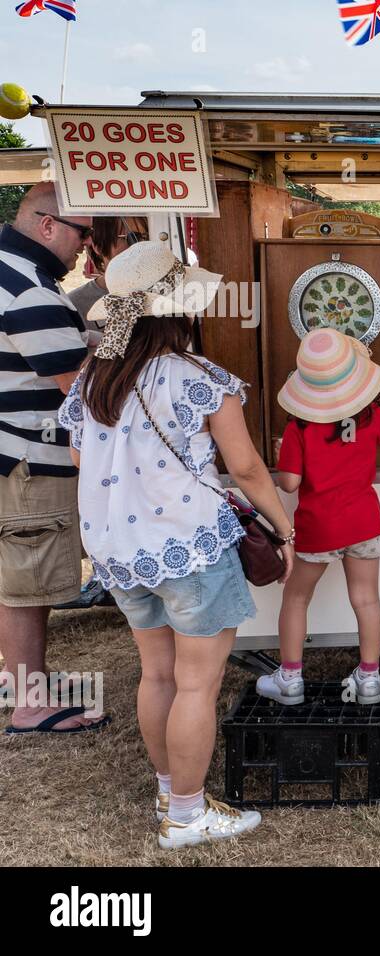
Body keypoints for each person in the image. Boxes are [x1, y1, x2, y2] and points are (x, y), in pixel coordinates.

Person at [57, 240, 295, 848]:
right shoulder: (200, 378)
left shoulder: (95, 378)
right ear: (177, 306)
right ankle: (187, 816)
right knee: (197, 685)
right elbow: (245, 469)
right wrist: (284, 530)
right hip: (189, 547)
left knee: (156, 674)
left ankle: (170, 789)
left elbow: (83, 459)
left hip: (119, 550)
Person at [0, 181, 107, 735]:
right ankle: (30, 703)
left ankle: (26, 681)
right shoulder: (31, 291)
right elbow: (80, 389)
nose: (85, 250)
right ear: (48, 225)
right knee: (27, 577)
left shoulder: (14, 270)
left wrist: (83, 335)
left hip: (9, 450)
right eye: (83, 234)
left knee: (21, 574)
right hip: (29, 460)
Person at [257, 328, 380, 707]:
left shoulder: (299, 429)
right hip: (364, 522)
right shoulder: (372, 416)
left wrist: (282, 457)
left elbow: (289, 484)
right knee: (367, 599)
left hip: (318, 527)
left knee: (295, 599)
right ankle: (370, 678)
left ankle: (290, 678)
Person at [67, 215, 148, 326]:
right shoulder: (75, 305)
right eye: (133, 238)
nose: (144, 245)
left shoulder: (167, 292)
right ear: (99, 246)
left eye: (147, 237)